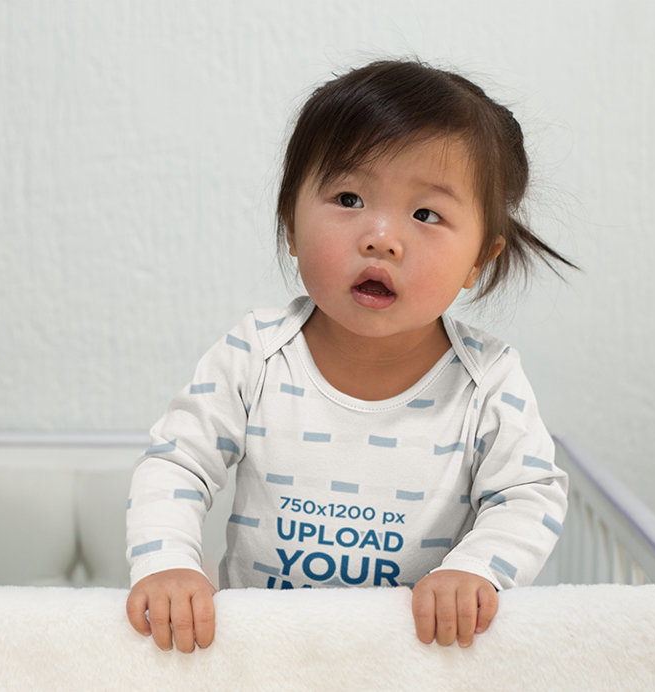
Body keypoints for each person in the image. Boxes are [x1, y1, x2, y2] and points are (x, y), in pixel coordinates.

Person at [125, 59, 574, 653]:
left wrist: (476, 570)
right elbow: (178, 461)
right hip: (260, 658)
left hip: (413, 662)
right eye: (349, 197)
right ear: (290, 222)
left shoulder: (487, 382)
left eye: (426, 214)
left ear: (479, 260)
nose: (381, 236)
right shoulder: (256, 354)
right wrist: (168, 562)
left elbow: (528, 493)